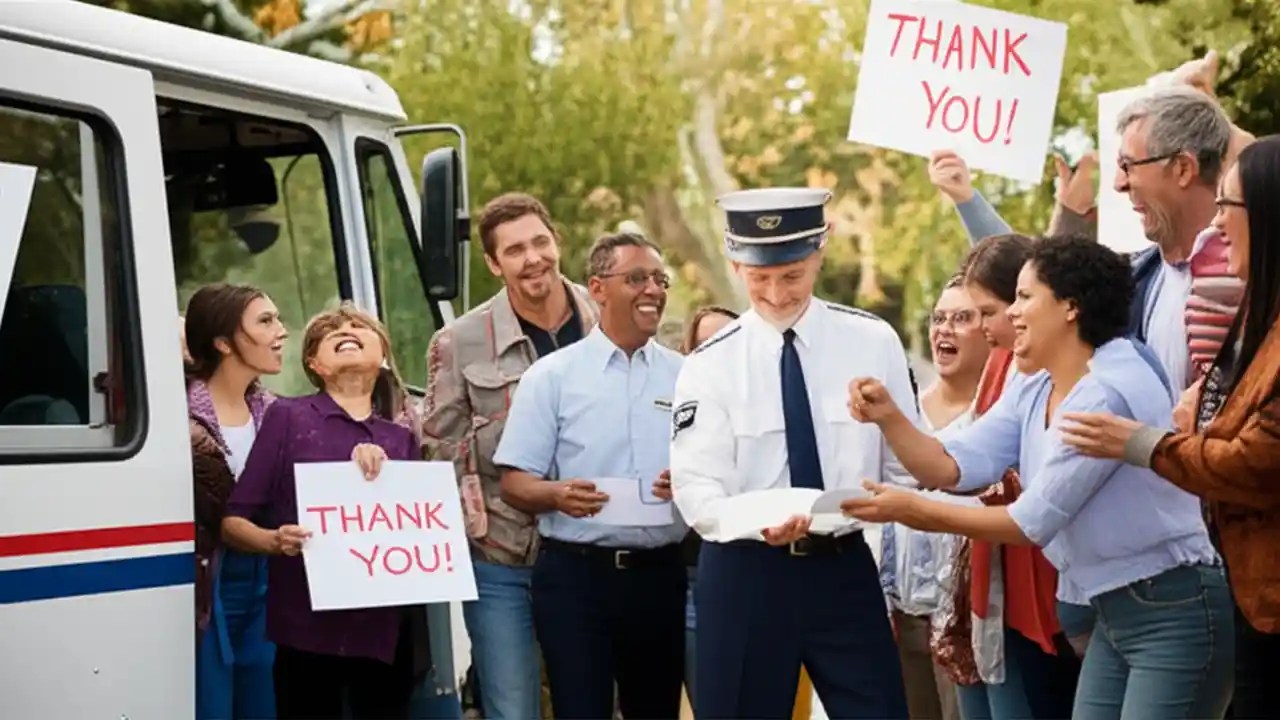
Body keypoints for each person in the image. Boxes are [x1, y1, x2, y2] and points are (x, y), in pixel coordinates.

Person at [844, 236, 1233, 719]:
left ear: (1070, 307)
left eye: (1024, 298)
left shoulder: (1108, 389)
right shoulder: (1037, 381)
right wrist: (889, 416)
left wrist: (912, 510)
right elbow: (950, 465)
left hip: (1175, 610)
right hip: (1114, 614)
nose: (1012, 314)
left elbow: (1032, 522)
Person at [670, 187, 911, 719]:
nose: (777, 294)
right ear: (736, 265)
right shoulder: (710, 364)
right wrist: (759, 523)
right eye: (759, 279)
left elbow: (904, 465)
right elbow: (697, 488)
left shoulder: (873, 342)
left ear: (819, 253)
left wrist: (880, 499)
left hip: (842, 566)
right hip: (745, 574)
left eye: (792, 276)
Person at [1061, 135, 1280, 718]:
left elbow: (1259, 461)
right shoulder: (1259, 317)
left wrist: (1145, 444)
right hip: (1246, 592)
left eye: (1228, 207)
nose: (1217, 225)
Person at [494, 232, 687, 719]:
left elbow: (721, 470)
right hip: (576, 580)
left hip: (660, 576)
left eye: (660, 279)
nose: (653, 290)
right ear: (597, 288)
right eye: (637, 278)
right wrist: (556, 494)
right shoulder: (552, 376)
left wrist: (689, 482)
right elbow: (514, 483)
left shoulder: (688, 376)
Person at [421, 193, 598, 720]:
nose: (533, 258)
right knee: (512, 706)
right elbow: (440, 450)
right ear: (494, 265)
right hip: (503, 559)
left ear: (557, 243)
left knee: (592, 703)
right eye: (515, 250)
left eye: (540, 242)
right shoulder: (458, 341)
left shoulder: (607, 319)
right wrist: (471, 528)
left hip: (596, 554)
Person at [222, 304, 430, 720]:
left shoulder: (402, 438)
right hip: (306, 628)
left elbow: (420, 530)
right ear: (315, 363)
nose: (347, 330)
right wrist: (274, 541)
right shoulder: (287, 416)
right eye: (331, 331)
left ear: (383, 355)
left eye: (359, 327)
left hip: (387, 633)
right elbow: (232, 523)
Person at [881, 275, 988, 720]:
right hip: (904, 619)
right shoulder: (901, 415)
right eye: (938, 318)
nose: (944, 328)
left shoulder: (997, 417)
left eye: (962, 318)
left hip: (971, 625)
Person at [187, 283, 287, 720]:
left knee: (262, 704)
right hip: (207, 586)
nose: (281, 331)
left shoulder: (279, 414)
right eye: (265, 322)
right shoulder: (175, 420)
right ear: (223, 342)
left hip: (269, 582)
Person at [676, 305, 738, 716]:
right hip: (693, 571)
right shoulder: (682, 406)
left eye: (727, 341)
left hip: (759, 572)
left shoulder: (772, 399)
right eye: (705, 345)